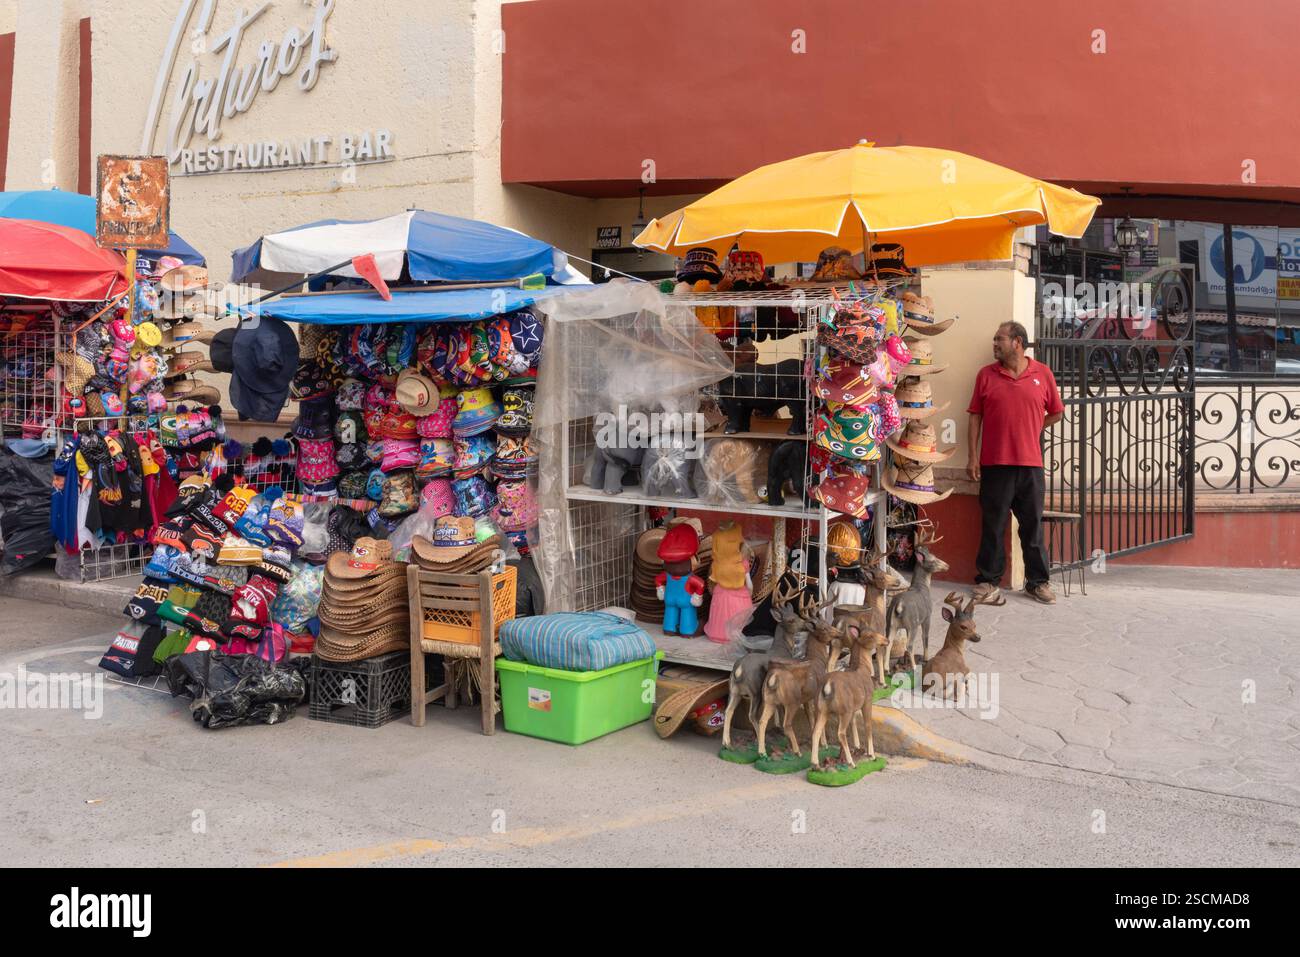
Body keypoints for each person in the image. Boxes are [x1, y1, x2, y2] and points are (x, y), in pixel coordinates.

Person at [966, 321, 1064, 604]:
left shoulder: (1042, 374)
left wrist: (1035, 427)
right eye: (995, 339)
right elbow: (975, 416)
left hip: (1031, 465)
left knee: (1032, 526)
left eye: (1000, 339)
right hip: (995, 464)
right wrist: (973, 457)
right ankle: (988, 581)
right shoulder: (986, 375)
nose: (995, 344)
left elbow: (1057, 412)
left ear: (1017, 342)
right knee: (993, 527)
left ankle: (1038, 583)